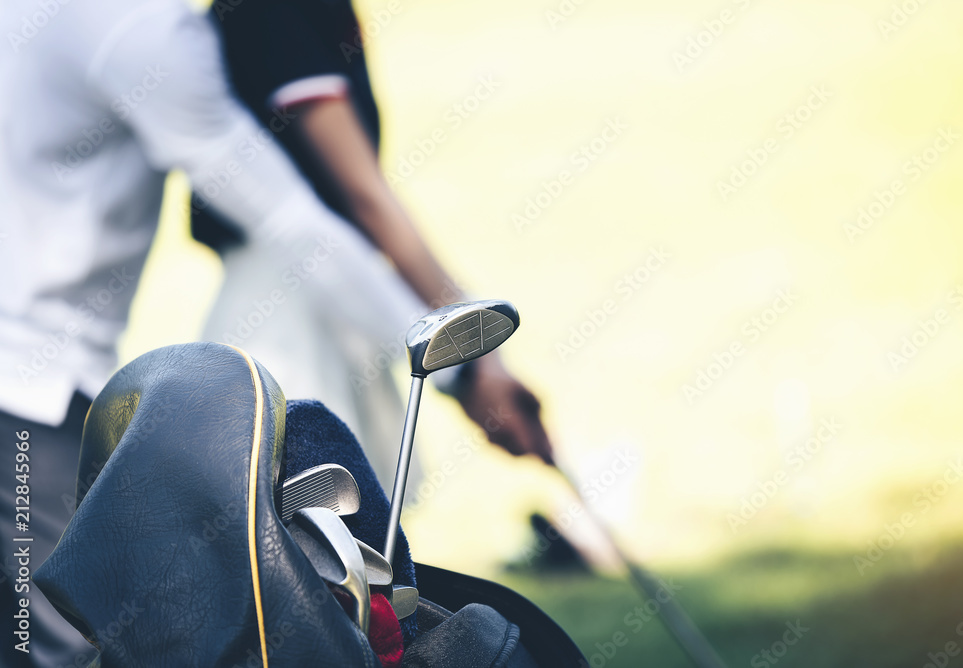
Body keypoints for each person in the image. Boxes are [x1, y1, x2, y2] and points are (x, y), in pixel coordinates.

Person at [0, 0, 504, 662]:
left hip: (34, 376)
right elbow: (292, 222)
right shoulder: (139, 28)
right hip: (29, 387)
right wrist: (467, 371)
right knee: (80, 649)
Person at [194, 0, 554, 490]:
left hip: (331, 290)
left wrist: (481, 362)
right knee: (305, 530)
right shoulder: (275, 10)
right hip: (287, 307)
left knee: (346, 536)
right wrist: (475, 363)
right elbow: (366, 198)